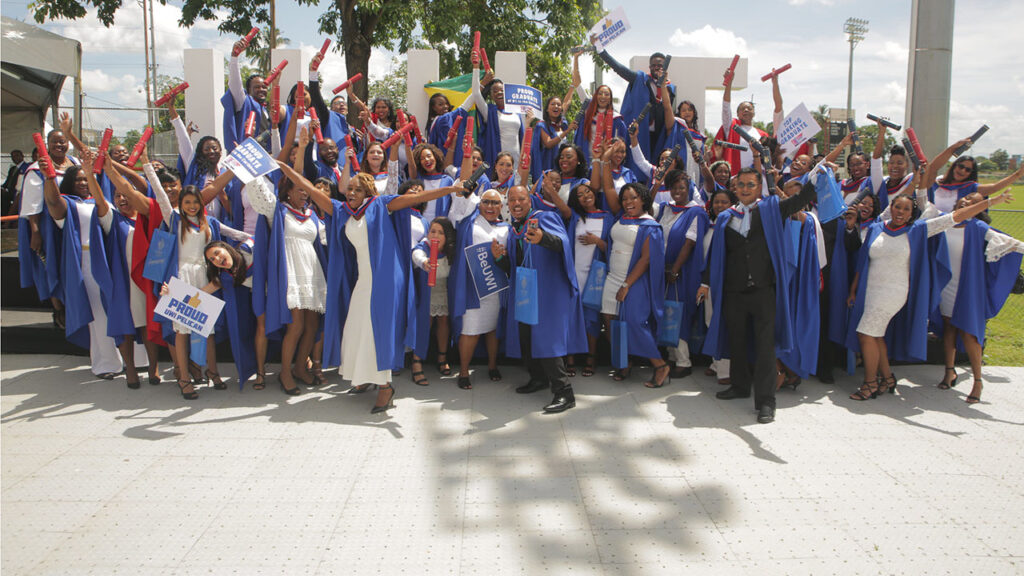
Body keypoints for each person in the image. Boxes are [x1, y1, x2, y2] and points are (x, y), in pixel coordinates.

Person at [279, 162, 463, 413]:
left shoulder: (381, 204)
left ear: (367, 192)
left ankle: (385, 387)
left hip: (386, 277)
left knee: (378, 331)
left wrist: (451, 188)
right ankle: (364, 377)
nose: (351, 193)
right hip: (365, 278)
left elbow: (418, 197)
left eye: (356, 189)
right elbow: (309, 188)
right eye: (349, 189)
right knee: (357, 328)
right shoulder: (343, 211)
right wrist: (284, 167)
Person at [844, 176, 1010, 401]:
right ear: (890, 208)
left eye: (906, 209)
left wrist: (991, 202)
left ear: (912, 213)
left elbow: (955, 217)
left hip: (894, 291)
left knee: (865, 333)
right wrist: (854, 290)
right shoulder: (876, 229)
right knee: (877, 335)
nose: (900, 211)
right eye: (897, 207)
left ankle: (870, 383)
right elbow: (863, 263)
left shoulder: (918, 230)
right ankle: (888, 378)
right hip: (870, 289)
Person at [699, 167, 818, 424]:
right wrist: (706, 283)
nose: (744, 189)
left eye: (750, 185)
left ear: (759, 187)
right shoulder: (724, 218)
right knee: (737, 341)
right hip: (734, 291)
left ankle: (766, 402)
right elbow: (717, 255)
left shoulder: (771, 211)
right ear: (734, 187)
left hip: (764, 292)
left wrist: (816, 176)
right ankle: (740, 386)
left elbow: (799, 200)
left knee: (765, 349)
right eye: (740, 184)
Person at [148, 164, 251, 399]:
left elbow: (236, 235)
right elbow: (160, 193)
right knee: (182, 331)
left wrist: (258, 241)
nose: (192, 206)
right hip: (181, 278)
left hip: (205, 278)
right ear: (181, 204)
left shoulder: (210, 223)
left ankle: (213, 372)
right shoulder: (173, 219)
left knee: (208, 329)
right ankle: (184, 378)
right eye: (187, 202)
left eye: (196, 202)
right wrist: (146, 164)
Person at [494, 186, 586, 413]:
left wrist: (543, 238)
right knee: (526, 337)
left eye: (521, 199)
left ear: (530, 200)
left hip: (548, 292)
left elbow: (562, 244)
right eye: (512, 200)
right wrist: (500, 259)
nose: (516, 203)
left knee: (547, 339)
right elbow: (516, 267)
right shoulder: (515, 229)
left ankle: (564, 392)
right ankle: (538, 378)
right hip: (527, 292)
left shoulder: (545, 218)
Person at [243, 167, 327, 395]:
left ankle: (300, 367)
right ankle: (285, 373)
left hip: (312, 273)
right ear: (287, 191)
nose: (304, 194)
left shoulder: (313, 217)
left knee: (312, 325)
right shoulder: (278, 211)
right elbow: (259, 194)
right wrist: (251, 169)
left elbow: (328, 238)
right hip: (290, 274)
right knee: (296, 325)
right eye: (299, 189)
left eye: (306, 190)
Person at [933, 193, 1023, 403]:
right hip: (946, 285)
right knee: (948, 328)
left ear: (979, 208)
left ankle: (977, 381)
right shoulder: (946, 222)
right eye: (964, 200)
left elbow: (1009, 243)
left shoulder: (978, 228)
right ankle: (949, 371)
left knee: (969, 333)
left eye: (973, 202)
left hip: (967, 287)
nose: (966, 202)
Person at [40, 157, 123, 379]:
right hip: (87, 261)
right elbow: (53, 204)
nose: (84, 183)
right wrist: (49, 178)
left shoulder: (104, 200)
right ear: (70, 183)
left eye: (87, 179)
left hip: (113, 260)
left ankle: (134, 359)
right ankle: (106, 363)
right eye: (78, 180)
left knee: (119, 309)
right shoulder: (70, 204)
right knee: (98, 314)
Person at [600, 182, 671, 388]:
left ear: (643, 200)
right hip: (612, 277)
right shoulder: (621, 219)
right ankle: (623, 362)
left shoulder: (650, 225)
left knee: (635, 322)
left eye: (633, 198)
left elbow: (646, 259)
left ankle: (660, 365)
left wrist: (627, 284)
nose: (628, 202)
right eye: (625, 199)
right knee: (609, 320)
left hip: (633, 280)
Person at [450, 188, 511, 390]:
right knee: (471, 329)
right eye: (486, 202)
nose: (490, 207)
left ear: (502, 206)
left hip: (496, 286)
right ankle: (464, 370)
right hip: (472, 285)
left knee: (493, 328)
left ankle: (492, 365)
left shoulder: (507, 228)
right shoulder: (469, 221)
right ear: (479, 203)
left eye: (495, 203)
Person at [588, 39, 675, 166]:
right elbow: (618, 68)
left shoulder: (669, 89)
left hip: (659, 136)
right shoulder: (639, 79)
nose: (657, 68)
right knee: (637, 164)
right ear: (650, 67)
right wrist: (600, 49)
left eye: (660, 66)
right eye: (654, 66)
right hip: (640, 134)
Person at [657, 170, 709, 378]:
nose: (678, 191)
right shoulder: (665, 209)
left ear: (689, 190)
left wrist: (675, 269)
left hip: (682, 271)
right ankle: (671, 354)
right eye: (674, 187)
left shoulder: (695, 212)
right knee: (667, 311)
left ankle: (684, 361)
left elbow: (690, 242)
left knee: (678, 312)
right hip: (664, 269)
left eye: (682, 188)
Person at [566, 182, 613, 377]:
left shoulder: (607, 217)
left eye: (587, 191)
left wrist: (598, 241)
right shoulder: (574, 218)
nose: (585, 195)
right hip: (574, 274)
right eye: (579, 194)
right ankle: (569, 359)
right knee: (570, 318)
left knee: (592, 319)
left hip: (595, 275)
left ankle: (590, 358)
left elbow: (612, 248)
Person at [409, 217, 457, 385]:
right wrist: (424, 262)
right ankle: (416, 361)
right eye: (432, 231)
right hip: (427, 292)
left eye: (440, 232)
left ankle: (442, 357)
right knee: (425, 322)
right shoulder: (424, 247)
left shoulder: (452, 251)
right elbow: (417, 255)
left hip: (444, 291)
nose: (435, 235)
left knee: (444, 322)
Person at [922, 137, 1024, 213]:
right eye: (961, 166)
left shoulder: (970, 188)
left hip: (956, 228)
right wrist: (954, 147)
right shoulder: (937, 182)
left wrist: (1017, 174)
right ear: (954, 166)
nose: (962, 170)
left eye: (967, 169)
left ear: (971, 173)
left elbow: (993, 187)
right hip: (932, 227)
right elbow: (932, 168)